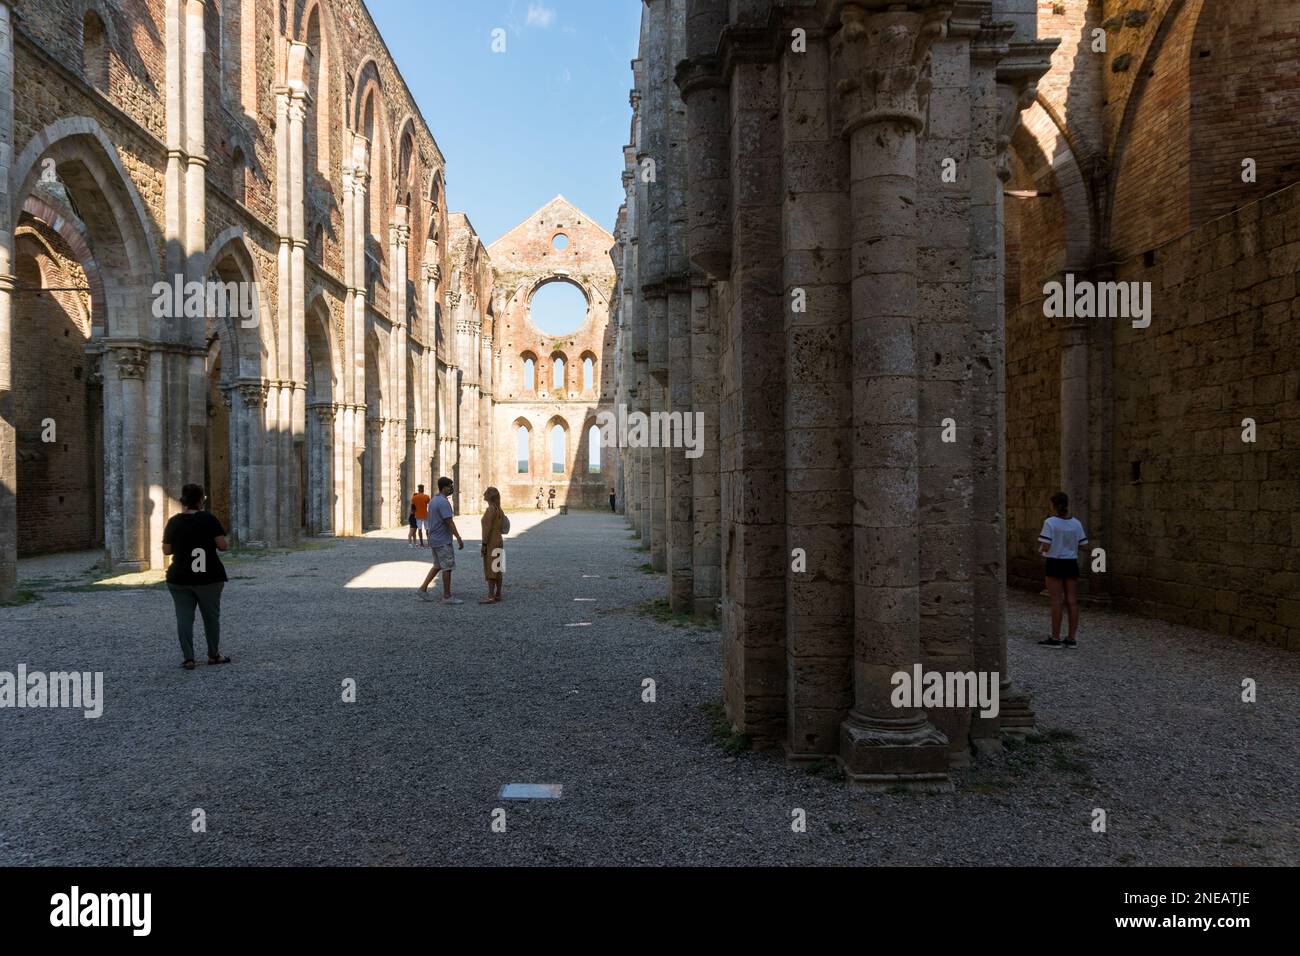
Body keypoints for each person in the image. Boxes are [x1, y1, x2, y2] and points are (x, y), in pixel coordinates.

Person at [162, 484, 231, 670]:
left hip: (180, 578)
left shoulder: (174, 521)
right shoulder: (209, 519)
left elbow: (167, 551)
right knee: (211, 617)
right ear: (201, 500)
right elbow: (223, 546)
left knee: (184, 618)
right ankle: (214, 655)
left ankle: (189, 658)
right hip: (209, 577)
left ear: (183, 501)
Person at [1038, 491, 1088, 649]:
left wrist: (1041, 551)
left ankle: (1055, 637)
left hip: (1055, 562)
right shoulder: (1076, 523)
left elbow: (1046, 545)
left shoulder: (1050, 522)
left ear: (1053, 505)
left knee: (1056, 601)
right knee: (1072, 601)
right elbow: (1083, 545)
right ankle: (1071, 638)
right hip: (1071, 562)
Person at [417, 477, 465, 605]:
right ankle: (447, 596)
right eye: (450, 486)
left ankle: (422, 589)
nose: (451, 488)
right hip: (442, 540)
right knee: (447, 567)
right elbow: (449, 522)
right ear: (444, 488)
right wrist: (459, 538)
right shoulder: (443, 502)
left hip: (434, 539)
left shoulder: (434, 500)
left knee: (438, 565)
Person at [480, 486, 506, 604]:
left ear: (489, 496)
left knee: (491, 568)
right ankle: (498, 594)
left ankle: (490, 596)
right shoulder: (498, 509)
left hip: (491, 542)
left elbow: (488, 528)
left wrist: (484, 544)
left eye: (485, 492)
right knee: (498, 568)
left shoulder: (490, 509)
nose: (483, 494)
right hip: (499, 541)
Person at [410, 484, 431, 548]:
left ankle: (421, 544)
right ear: (423, 489)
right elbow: (429, 505)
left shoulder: (414, 497)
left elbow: (413, 507)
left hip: (418, 515)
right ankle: (429, 543)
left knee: (419, 529)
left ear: (418, 489)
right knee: (427, 529)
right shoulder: (426, 497)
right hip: (425, 515)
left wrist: (413, 513)